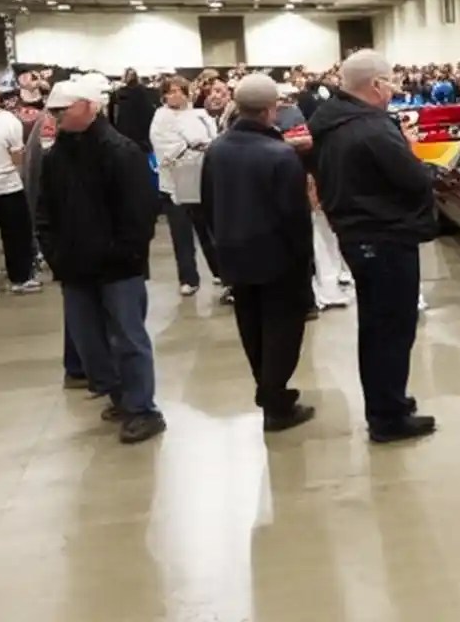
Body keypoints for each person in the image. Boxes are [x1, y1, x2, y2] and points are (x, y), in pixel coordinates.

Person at [309, 49, 437, 444]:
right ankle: (387, 416)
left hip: (358, 232)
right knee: (391, 329)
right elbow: (413, 178)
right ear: (377, 85)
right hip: (383, 237)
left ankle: (389, 400)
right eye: (392, 82)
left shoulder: (331, 123)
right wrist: (414, 152)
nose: (395, 89)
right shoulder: (373, 129)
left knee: (379, 327)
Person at [38, 76, 165, 444]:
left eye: (64, 109)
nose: (57, 116)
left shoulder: (122, 152)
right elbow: (45, 211)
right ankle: (120, 396)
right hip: (75, 269)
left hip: (118, 270)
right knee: (89, 342)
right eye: (55, 110)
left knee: (128, 339)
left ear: (90, 107)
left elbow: (140, 214)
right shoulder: (57, 156)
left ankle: (142, 408)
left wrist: (122, 255)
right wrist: (55, 255)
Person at [201, 74, 315, 432]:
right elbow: (295, 217)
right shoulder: (281, 155)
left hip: (235, 255)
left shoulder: (216, 149)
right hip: (278, 258)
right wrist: (304, 264)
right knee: (283, 330)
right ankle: (275, 401)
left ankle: (268, 390)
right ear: (271, 110)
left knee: (251, 326)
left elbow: (208, 203)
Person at [150, 76, 222, 298]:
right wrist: (191, 144)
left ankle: (220, 272)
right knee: (182, 236)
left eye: (181, 91)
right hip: (174, 185)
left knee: (209, 231)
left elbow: (212, 140)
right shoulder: (160, 118)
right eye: (171, 91)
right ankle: (188, 279)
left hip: (200, 180)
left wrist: (198, 144)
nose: (176, 95)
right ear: (164, 95)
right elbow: (166, 149)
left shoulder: (198, 114)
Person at [0, 72, 40, 300]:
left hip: (9, 187)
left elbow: (18, 156)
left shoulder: (9, 121)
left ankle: (21, 278)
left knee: (17, 236)